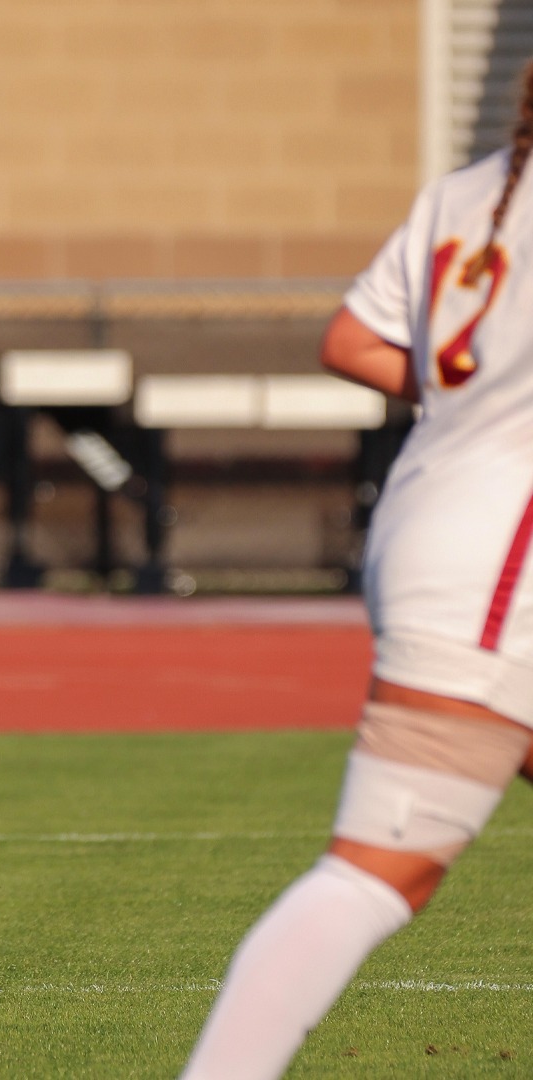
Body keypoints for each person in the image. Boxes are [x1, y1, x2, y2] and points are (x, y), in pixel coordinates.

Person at [180, 61, 533, 1079]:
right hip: (500, 572)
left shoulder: (466, 195)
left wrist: (484, 403)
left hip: (439, 526)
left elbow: (354, 338)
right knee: (379, 872)